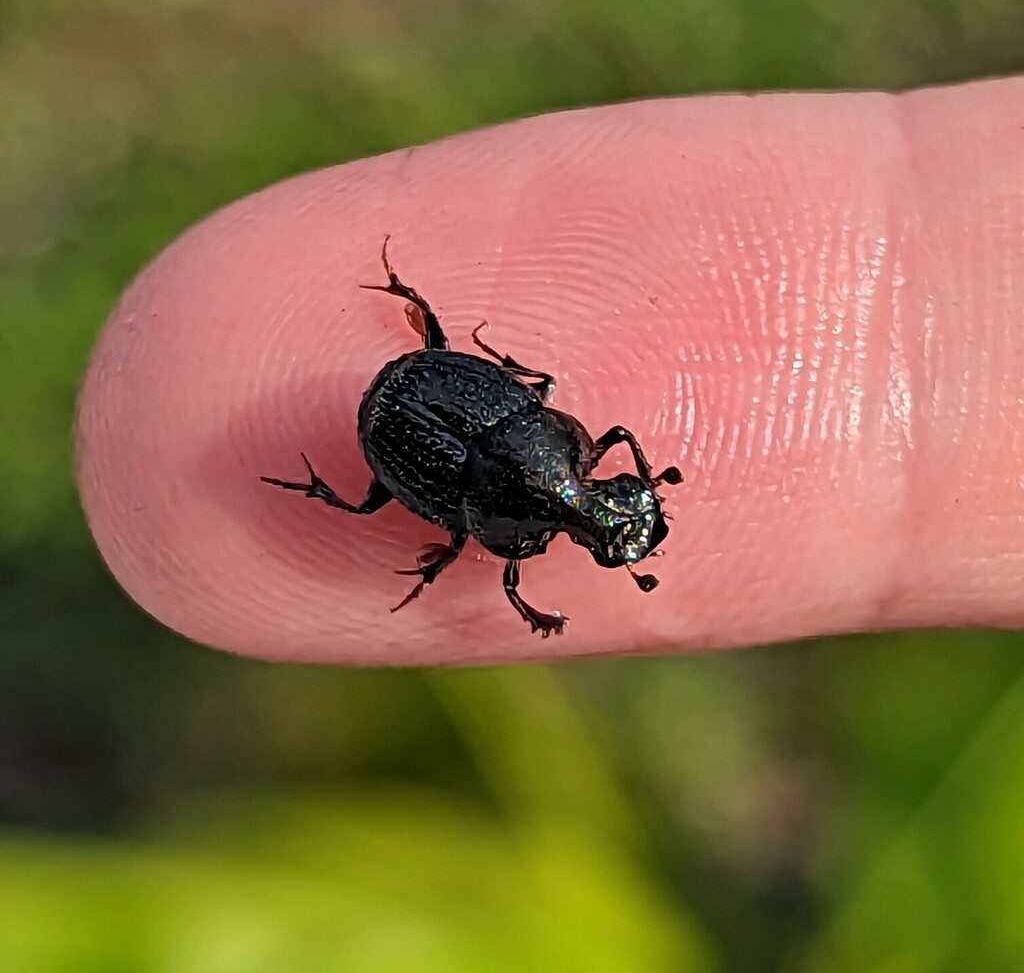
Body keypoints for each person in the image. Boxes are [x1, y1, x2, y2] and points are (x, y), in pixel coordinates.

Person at [75, 76, 1024, 665]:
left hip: (436, 413)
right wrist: (526, 593)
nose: (606, 496)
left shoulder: (528, 494)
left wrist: (530, 590)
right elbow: (531, 493)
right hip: (436, 409)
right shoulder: (528, 490)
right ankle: (390, 326)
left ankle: (389, 334)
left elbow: (535, 493)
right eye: (623, 492)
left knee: (444, 448)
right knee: (413, 468)